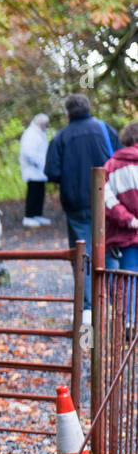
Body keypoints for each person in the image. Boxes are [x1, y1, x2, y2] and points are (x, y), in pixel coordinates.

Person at [44, 93, 120, 316]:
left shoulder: (61, 137)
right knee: (110, 248)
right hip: (107, 199)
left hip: (76, 202)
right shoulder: (105, 129)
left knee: (83, 253)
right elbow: (118, 159)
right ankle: (117, 307)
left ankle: (88, 309)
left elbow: (51, 172)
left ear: (68, 113)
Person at [102, 121, 138, 326]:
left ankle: (130, 323)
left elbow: (106, 200)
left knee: (128, 278)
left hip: (126, 233)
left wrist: (130, 220)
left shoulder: (112, 165)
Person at [19, 113, 50, 225]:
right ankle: (29, 216)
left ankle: (37, 214)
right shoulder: (31, 134)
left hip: (40, 170)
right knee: (33, 193)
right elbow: (27, 152)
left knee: (40, 193)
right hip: (33, 170)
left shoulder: (39, 133)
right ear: (40, 123)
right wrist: (38, 163)